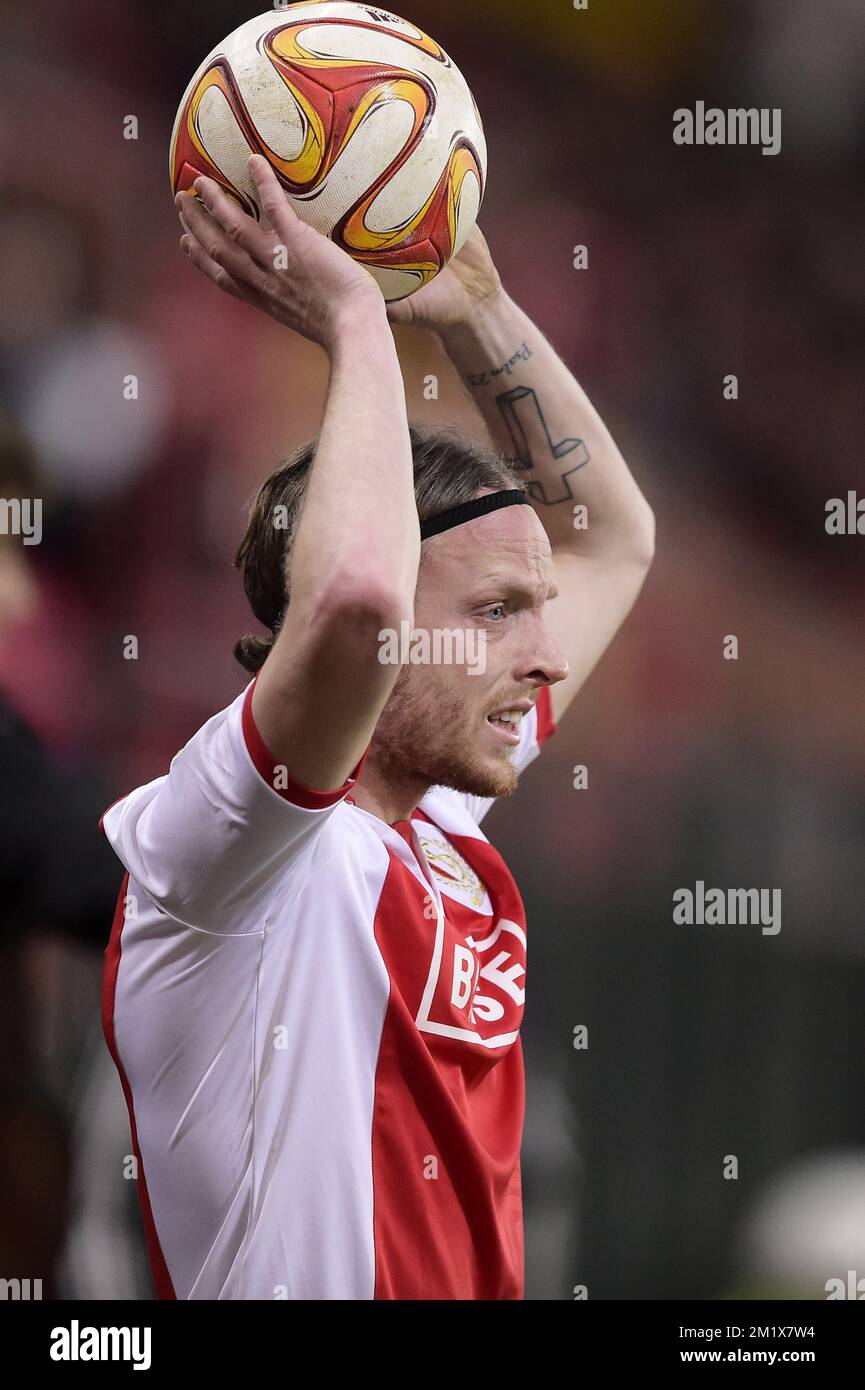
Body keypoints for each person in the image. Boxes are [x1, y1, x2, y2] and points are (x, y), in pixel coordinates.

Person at [101, 155, 654, 1300]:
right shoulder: (232, 840)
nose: (547, 656)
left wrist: (474, 306)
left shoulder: (439, 819)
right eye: (497, 612)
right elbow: (354, 603)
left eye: (534, 612)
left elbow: (613, 538)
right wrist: (355, 325)